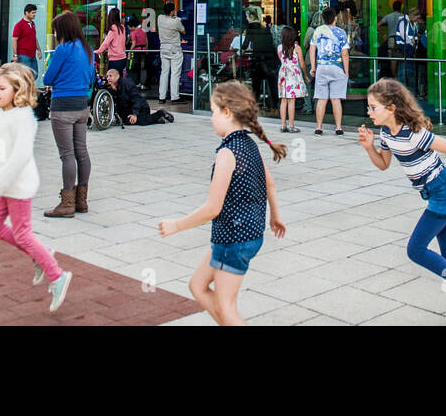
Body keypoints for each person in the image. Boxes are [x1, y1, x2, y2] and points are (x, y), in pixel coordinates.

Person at [358, 78, 446, 325]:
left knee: (415, 249)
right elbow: (383, 164)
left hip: (445, 190)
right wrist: (369, 147)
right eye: (368, 107)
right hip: (437, 194)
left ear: (391, 108)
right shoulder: (386, 134)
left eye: (373, 107)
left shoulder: (414, 134)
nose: (369, 112)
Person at [158, 82, 286, 326]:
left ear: (227, 113)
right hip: (245, 235)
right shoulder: (249, 144)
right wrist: (275, 216)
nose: (211, 119)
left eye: (214, 112)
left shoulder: (227, 153)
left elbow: (212, 209)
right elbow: (270, 185)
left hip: (234, 238)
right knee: (197, 285)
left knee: (225, 307)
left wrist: (177, 225)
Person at [0, 62, 72, 311]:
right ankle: (41, 254)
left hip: (18, 185)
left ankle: (57, 275)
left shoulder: (22, 118)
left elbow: (19, 157)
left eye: (1, 88)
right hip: (5, 184)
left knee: (22, 233)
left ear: (17, 90)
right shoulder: (4, 114)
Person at [42, 11, 96, 218]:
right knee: (82, 152)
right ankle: (82, 199)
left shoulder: (63, 50)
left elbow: (48, 78)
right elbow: (91, 76)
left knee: (67, 155)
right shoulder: (87, 48)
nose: (55, 34)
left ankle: (67, 203)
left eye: (56, 30)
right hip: (82, 105)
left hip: (63, 106)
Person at [308, 7, 349, 135]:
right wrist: (346, 71)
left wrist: (313, 67)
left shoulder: (317, 31)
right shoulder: (341, 32)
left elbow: (312, 49)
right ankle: (338, 128)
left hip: (321, 67)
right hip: (336, 66)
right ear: (335, 18)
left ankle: (319, 127)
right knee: (336, 99)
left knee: (321, 99)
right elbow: (345, 53)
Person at [107, 67, 174, 125]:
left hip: (141, 107)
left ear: (117, 76)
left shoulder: (127, 83)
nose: (108, 78)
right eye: (107, 76)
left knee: (142, 121)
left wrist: (134, 114)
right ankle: (156, 120)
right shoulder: (110, 86)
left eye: (110, 76)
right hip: (127, 108)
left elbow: (137, 99)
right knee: (127, 121)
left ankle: (160, 113)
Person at [243, 8, 278, 110]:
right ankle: (274, 107)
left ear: (251, 16)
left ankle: (255, 106)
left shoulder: (251, 28)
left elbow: (245, 45)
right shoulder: (265, 28)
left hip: (258, 60)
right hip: (269, 58)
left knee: (256, 85)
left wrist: (236, 53)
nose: (246, 18)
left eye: (246, 16)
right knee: (272, 85)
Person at [276, 25, 308, 134]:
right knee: (291, 101)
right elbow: (302, 64)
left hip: (282, 74)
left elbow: (281, 60)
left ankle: (283, 125)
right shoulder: (297, 48)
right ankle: (291, 125)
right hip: (293, 75)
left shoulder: (279, 48)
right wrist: (306, 75)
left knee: (283, 100)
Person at [156, 1, 185, 105]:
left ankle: (162, 97)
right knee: (175, 73)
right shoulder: (176, 21)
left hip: (163, 47)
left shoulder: (159, 18)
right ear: (172, 11)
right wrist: (178, 19)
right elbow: (183, 31)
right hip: (174, 48)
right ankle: (175, 96)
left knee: (164, 72)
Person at [12, 4, 44, 78]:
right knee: (26, 76)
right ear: (26, 13)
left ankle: (30, 89)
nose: (34, 14)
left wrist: (39, 50)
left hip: (32, 55)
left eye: (35, 12)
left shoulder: (32, 24)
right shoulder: (19, 25)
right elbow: (14, 40)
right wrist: (15, 55)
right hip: (23, 55)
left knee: (34, 76)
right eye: (33, 13)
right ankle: (26, 89)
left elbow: (34, 37)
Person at [394, 8, 422, 92]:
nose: (417, 19)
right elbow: (403, 35)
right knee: (403, 71)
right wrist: (412, 43)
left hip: (411, 50)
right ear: (412, 15)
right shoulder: (403, 22)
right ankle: (402, 91)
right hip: (404, 48)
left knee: (409, 71)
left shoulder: (413, 23)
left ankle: (408, 91)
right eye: (417, 17)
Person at [378, 0, 405, 77]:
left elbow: (378, 25)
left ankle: (395, 78)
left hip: (391, 39)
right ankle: (401, 78)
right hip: (402, 38)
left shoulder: (388, 16)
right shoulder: (404, 16)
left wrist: (383, 34)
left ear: (392, 7)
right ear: (401, 7)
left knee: (393, 60)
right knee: (403, 58)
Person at [99, 6, 128, 77]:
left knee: (112, 81)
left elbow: (106, 43)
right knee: (119, 80)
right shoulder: (122, 28)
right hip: (123, 58)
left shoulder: (113, 29)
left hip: (115, 59)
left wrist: (98, 51)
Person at [127, 16, 149, 89]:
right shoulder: (143, 31)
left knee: (134, 67)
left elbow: (133, 44)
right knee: (142, 67)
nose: (129, 29)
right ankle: (143, 83)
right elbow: (146, 42)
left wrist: (129, 52)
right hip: (143, 50)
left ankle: (136, 82)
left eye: (129, 27)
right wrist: (146, 50)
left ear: (132, 27)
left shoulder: (133, 33)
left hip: (136, 51)